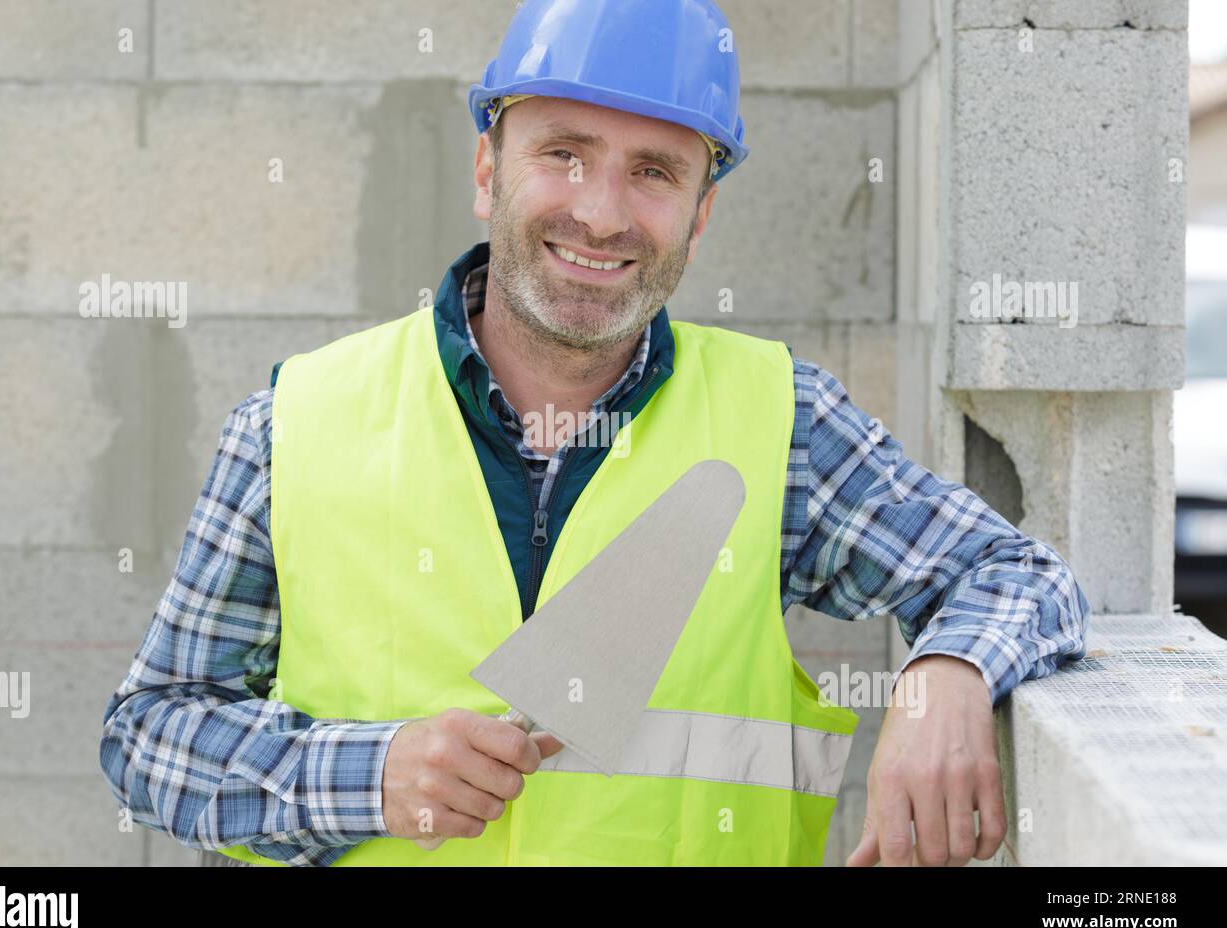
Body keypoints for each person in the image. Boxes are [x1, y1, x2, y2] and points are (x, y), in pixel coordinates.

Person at [100, 0, 1090, 867]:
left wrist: (944, 675)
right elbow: (149, 735)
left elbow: (1019, 576)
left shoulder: (780, 422)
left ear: (700, 214)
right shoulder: (293, 424)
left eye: (653, 171)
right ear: (490, 169)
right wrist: (365, 773)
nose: (602, 212)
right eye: (563, 152)